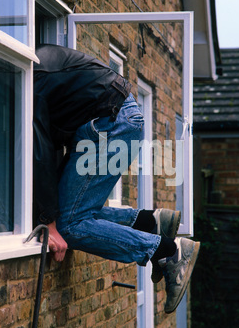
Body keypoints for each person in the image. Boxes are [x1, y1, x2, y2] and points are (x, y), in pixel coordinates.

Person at [33, 44, 200, 314]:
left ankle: (169, 252)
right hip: (112, 119)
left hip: (110, 123)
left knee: (70, 225)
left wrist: (49, 225)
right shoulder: (31, 66)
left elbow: (39, 152)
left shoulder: (24, 81)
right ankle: (151, 221)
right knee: (74, 211)